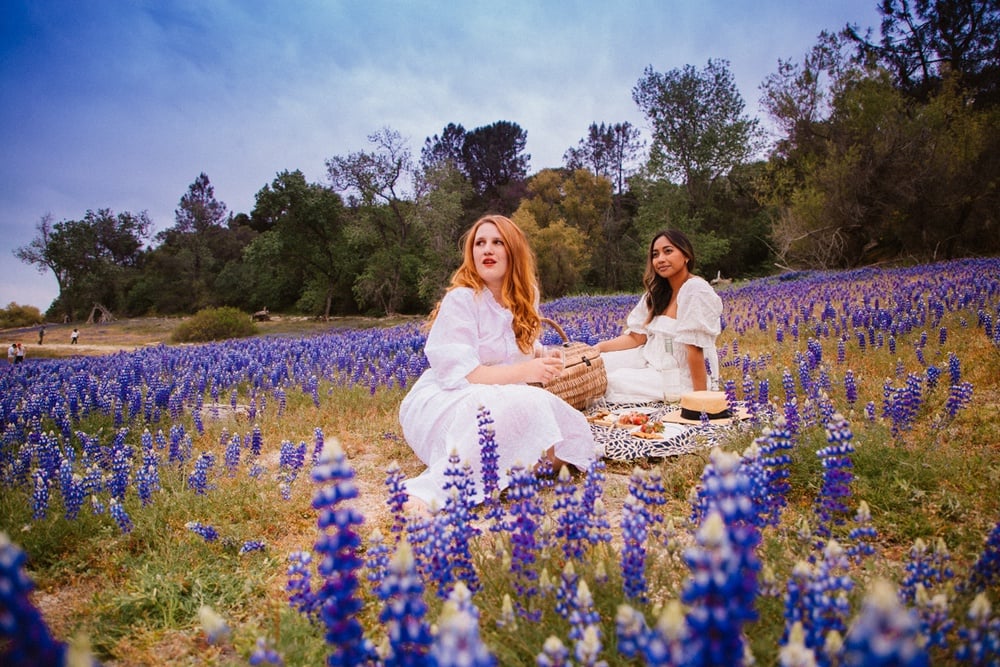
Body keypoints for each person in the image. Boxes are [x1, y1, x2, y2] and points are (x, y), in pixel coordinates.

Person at [399, 214, 598, 508]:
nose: (487, 250)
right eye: (480, 243)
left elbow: (515, 346)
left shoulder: (525, 297)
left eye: (497, 242)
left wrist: (542, 354)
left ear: (512, 251)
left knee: (570, 430)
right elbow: (464, 374)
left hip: (508, 395)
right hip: (454, 396)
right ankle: (432, 493)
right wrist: (527, 370)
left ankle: (501, 470)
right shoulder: (462, 299)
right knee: (520, 406)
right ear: (471, 253)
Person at [596, 229, 723, 404]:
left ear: (686, 256)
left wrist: (700, 401)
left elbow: (695, 350)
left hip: (677, 375)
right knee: (598, 366)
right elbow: (636, 337)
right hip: (649, 359)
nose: (660, 259)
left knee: (613, 380)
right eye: (655, 255)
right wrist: (598, 348)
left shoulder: (695, 290)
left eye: (668, 251)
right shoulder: (656, 293)